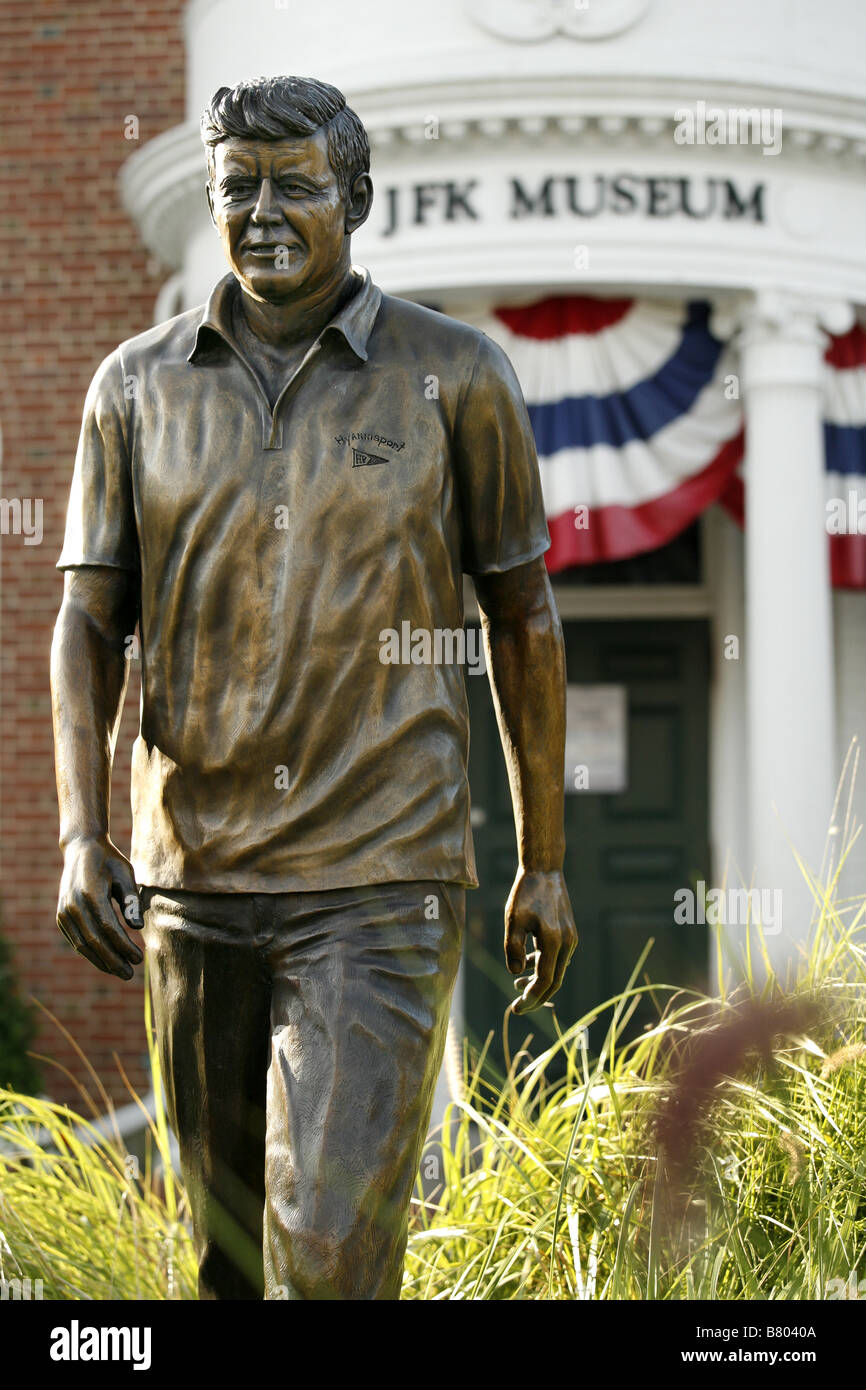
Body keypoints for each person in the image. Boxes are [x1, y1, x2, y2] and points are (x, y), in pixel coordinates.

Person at [51, 74, 577, 1300]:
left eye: (298, 185)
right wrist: (83, 828)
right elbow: (86, 620)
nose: (266, 210)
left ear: (356, 197)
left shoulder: (458, 374)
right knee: (228, 1262)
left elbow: (523, 617)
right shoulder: (133, 388)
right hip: (193, 878)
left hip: (379, 876)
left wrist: (542, 856)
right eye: (241, 187)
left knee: (328, 1248)